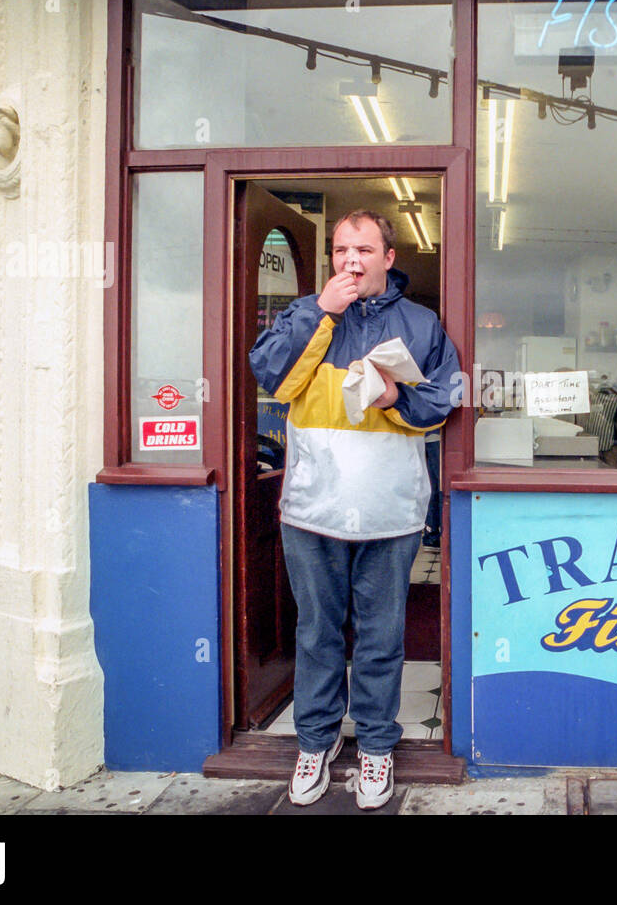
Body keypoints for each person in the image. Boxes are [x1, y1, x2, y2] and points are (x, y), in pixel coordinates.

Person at [249, 210, 459, 809]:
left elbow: (446, 396)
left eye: (364, 249)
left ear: (388, 257)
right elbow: (270, 373)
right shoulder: (307, 313)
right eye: (342, 249)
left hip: (390, 510)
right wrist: (321, 310)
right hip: (313, 508)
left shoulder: (421, 323)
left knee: (380, 636)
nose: (351, 260)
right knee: (316, 633)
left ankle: (375, 746)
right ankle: (314, 743)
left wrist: (397, 397)